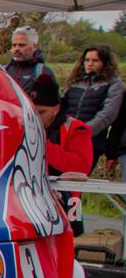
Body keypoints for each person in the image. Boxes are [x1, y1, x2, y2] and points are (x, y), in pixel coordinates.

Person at [32, 73, 93, 235]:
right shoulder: (24, 124)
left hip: (67, 202)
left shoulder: (77, 129)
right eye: (33, 113)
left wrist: (40, 143)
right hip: (33, 200)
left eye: (41, 112)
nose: (36, 118)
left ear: (56, 109)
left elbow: (81, 166)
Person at [62, 45, 123, 173]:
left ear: (105, 63)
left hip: (91, 141)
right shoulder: (74, 81)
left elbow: (108, 114)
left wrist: (84, 131)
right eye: (87, 60)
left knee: (77, 179)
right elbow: (61, 105)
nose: (90, 64)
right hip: (65, 137)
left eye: (95, 61)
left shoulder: (113, 83)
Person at [4, 26, 58, 103]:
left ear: (34, 46)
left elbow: (52, 107)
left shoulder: (44, 73)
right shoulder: (4, 70)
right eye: (14, 45)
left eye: (22, 45)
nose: (16, 49)